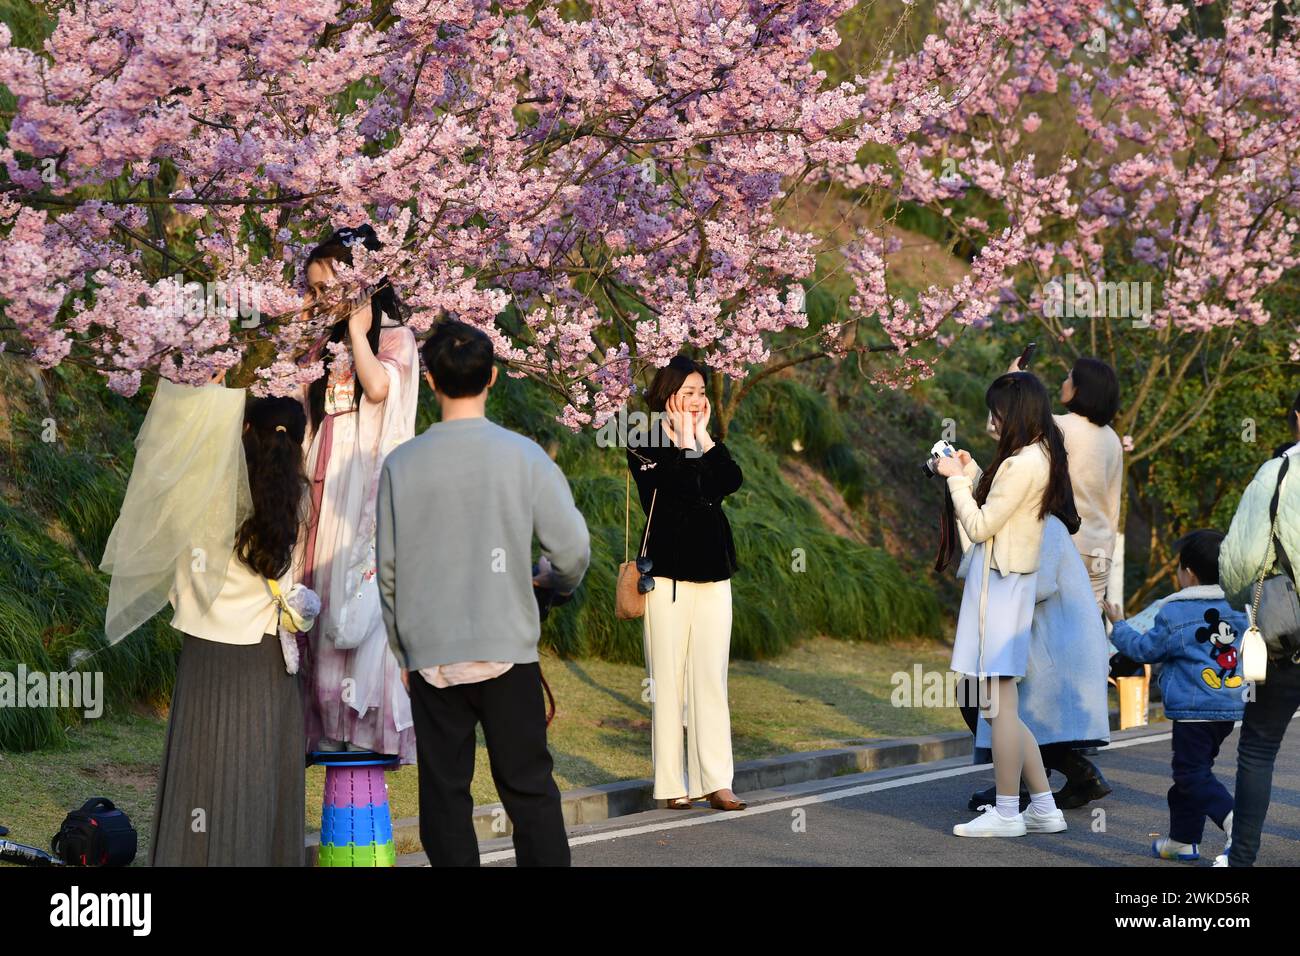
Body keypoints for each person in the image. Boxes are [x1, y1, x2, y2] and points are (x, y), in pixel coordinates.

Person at [376, 319, 590, 866]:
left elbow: (389, 569)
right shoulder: (523, 456)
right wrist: (549, 583)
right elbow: (571, 552)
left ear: (429, 380)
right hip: (505, 647)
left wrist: (403, 649)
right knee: (528, 791)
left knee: (445, 797)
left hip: (431, 654)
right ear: (492, 376)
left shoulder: (401, 464)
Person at [100, 372, 310, 865]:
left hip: (204, 653)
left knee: (200, 774)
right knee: (257, 782)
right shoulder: (295, 504)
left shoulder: (206, 490)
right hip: (263, 660)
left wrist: (200, 399)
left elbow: (163, 462)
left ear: (243, 432)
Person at [298, 224, 420, 763]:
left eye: (328, 288)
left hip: (365, 492)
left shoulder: (395, 338)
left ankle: (362, 724)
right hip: (324, 479)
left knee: (362, 600)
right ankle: (324, 721)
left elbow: (378, 389)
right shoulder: (321, 340)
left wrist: (356, 329)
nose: (320, 299)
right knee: (319, 591)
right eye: (314, 289)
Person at [936, 371, 1076, 838]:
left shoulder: (1020, 463)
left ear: (1012, 412)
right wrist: (973, 474)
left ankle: (1006, 811)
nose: (990, 419)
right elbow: (1003, 510)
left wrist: (955, 482)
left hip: (998, 587)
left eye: (995, 410)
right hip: (1012, 584)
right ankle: (1042, 805)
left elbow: (978, 527)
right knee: (1005, 710)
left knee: (997, 708)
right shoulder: (1039, 454)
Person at [627, 356, 746, 811]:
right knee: (668, 682)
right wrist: (691, 446)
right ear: (666, 394)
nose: (696, 401)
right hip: (665, 577)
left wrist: (702, 438)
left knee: (710, 679)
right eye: (688, 393)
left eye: (701, 393)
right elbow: (686, 486)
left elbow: (728, 480)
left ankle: (717, 781)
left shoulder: (704, 437)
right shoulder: (643, 438)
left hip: (714, 573)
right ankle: (671, 784)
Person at [1006, 353, 1121, 807]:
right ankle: (1064, 763)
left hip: (1059, 546)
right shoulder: (1112, 439)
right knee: (1069, 657)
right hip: (1097, 551)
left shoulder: (1060, 427)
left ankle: (1025, 780)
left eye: (1070, 378)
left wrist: (1014, 374)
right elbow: (1113, 501)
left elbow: (1014, 418)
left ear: (1082, 388)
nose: (1063, 381)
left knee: (1031, 665)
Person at [1106, 530, 1246, 863]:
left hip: (1193, 709)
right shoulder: (1239, 607)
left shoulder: (1175, 612)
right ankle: (1183, 841)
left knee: (1191, 774)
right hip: (1228, 705)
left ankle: (1238, 826)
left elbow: (1145, 649)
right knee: (1191, 774)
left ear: (1190, 573)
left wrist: (1118, 625)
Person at [966, 515, 1111, 812]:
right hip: (1052, 642)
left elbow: (1041, 584)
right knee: (988, 699)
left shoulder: (1044, 524)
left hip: (1058, 648)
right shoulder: (1035, 518)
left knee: (981, 698)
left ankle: (1026, 783)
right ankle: (1075, 776)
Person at [1217, 389, 1300, 866]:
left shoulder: (1278, 473)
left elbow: (1239, 564)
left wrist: (1243, 600)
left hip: (1287, 637)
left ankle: (1241, 858)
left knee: (1260, 747)